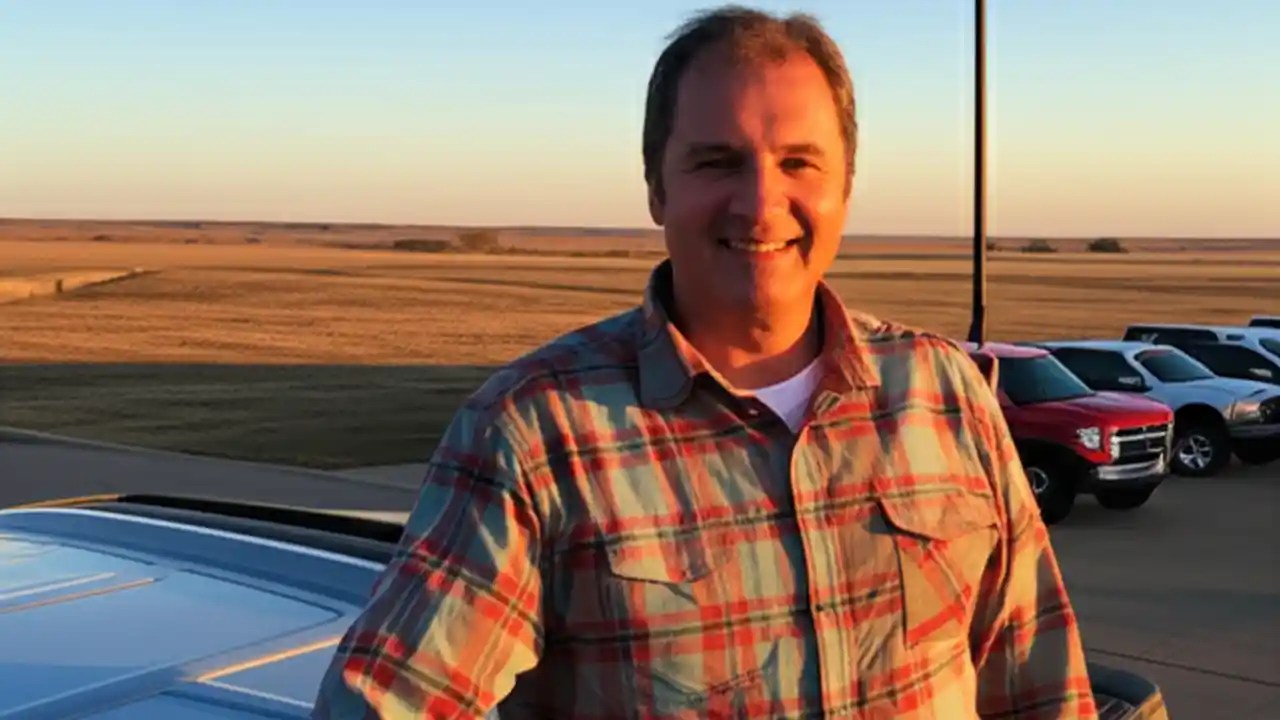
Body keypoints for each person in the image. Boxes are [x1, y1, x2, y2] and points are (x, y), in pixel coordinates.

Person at [312, 5, 1098, 718]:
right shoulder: (535, 433)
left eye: (799, 162)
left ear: (846, 187)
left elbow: (1040, 687)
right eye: (717, 162)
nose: (761, 203)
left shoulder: (945, 394)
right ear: (656, 187)